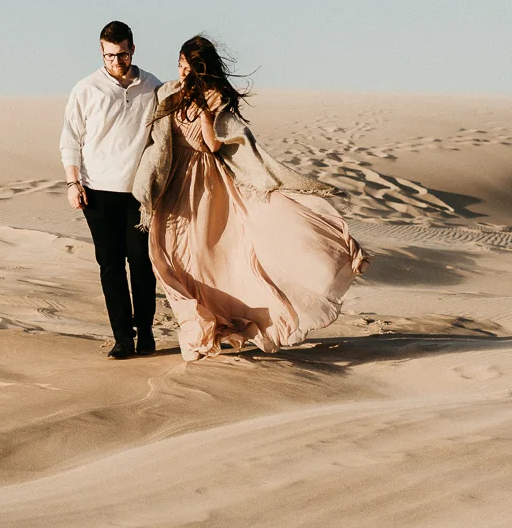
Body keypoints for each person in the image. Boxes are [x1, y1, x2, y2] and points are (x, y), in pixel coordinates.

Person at [134, 35, 368, 361]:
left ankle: (208, 328)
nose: (182, 71)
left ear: (203, 68)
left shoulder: (215, 98)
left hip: (206, 183)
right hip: (175, 183)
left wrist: (202, 112)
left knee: (204, 257)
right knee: (169, 255)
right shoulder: (170, 93)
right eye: (180, 65)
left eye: (189, 67)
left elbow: (213, 146)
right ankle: (199, 325)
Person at [59, 21, 165, 358]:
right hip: (96, 191)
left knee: (141, 262)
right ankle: (122, 337)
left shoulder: (152, 87)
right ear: (101, 53)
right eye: (108, 56)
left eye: (121, 54)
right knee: (110, 264)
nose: (115, 61)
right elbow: (70, 139)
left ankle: (145, 331)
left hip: (138, 192)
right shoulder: (86, 88)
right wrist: (72, 182)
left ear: (132, 49)